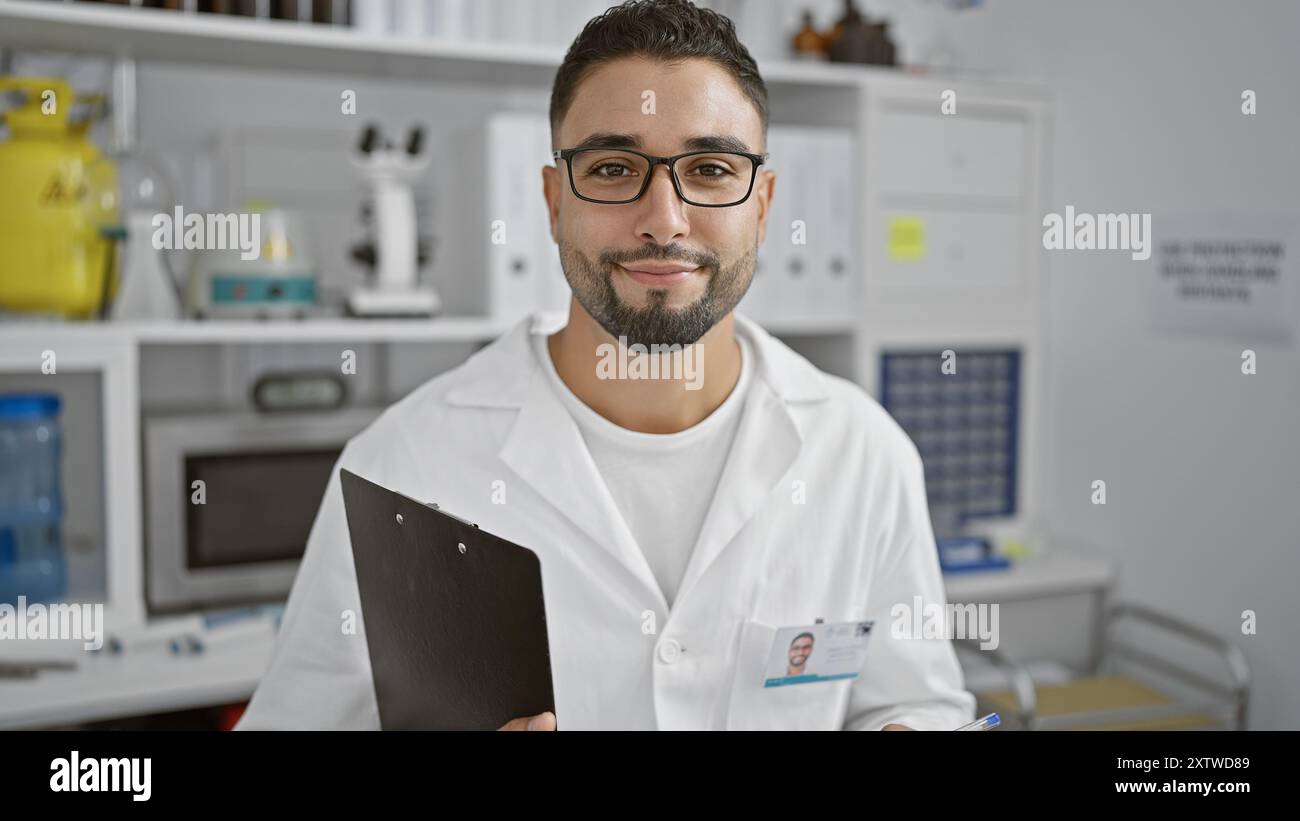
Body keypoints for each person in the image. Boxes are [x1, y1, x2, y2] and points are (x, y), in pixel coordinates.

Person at [237, 0, 975, 731]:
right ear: (555, 202)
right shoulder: (401, 466)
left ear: (764, 203)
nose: (664, 217)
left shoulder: (864, 454)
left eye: (712, 167)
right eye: (616, 167)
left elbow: (916, 701)